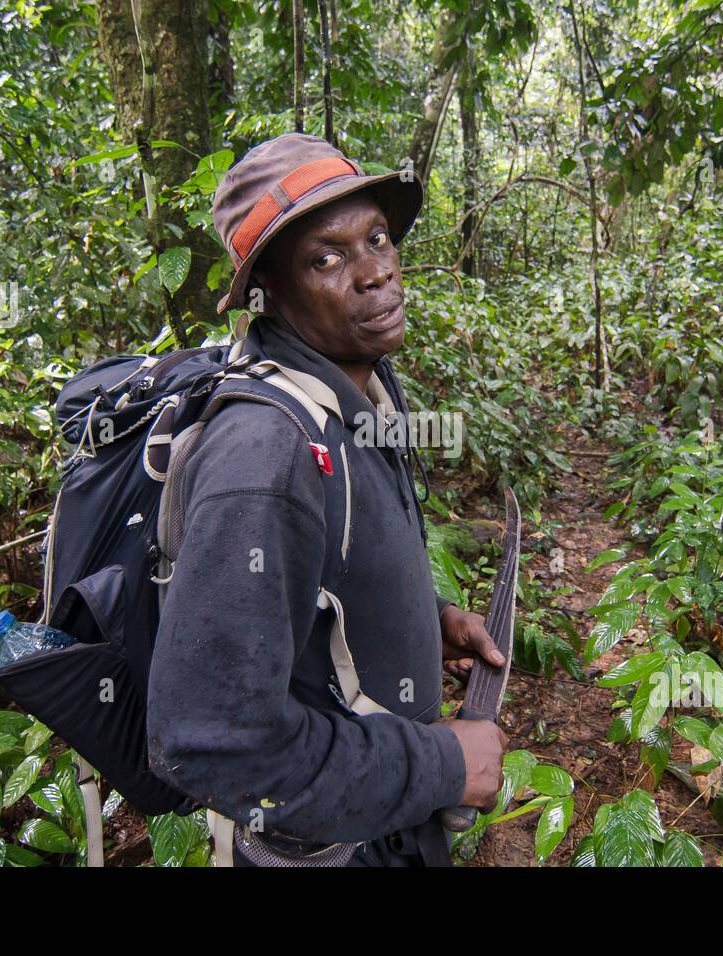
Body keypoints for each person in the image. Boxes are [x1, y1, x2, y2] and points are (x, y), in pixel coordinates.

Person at [146, 132, 509, 867]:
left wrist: (421, 617)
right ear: (268, 291)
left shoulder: (357, 382)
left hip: (388, 819)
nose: (374, 273)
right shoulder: (266, 457)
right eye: (327, 258)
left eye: (376, 237)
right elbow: (207, 742)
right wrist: (440, 767)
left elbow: (326, 568)